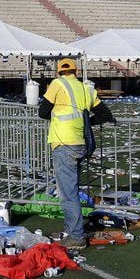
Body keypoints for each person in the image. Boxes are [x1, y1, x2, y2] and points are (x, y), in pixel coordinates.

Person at [39, 58, 116, 250]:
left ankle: (76, 236)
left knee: (68, 194)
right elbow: (105, 114)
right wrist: (87, 122)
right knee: (70, 190)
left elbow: (42, 112)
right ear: (76, 71)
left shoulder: (57, 84)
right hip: (81, 144)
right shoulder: (86, 89)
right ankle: (71, 230)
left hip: (64, 144)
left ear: (59, 72)